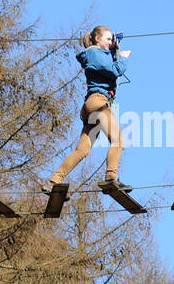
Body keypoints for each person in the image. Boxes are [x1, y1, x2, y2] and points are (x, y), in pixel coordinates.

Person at [43, 25, 133, 194]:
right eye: (108, 39)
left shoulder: (98, 55)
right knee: (118, 140)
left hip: (91, 106)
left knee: (82, 150)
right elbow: (114, 70)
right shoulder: (94, 53)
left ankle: (54, 181)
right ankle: (111, 178)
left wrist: (114, 51)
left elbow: (107, 65)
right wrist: (122, 57)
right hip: (98, 103)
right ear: (97, 39)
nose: (110, 42)